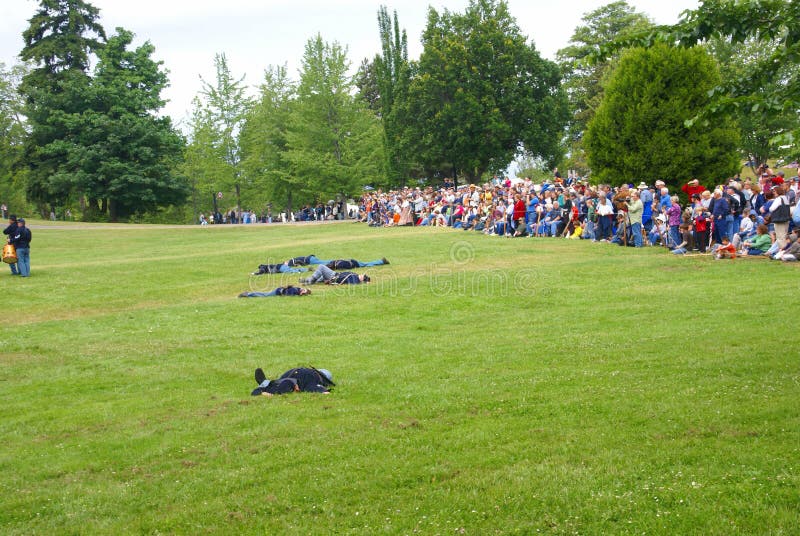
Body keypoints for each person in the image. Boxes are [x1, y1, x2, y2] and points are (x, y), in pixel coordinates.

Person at [251, 367, 335, 396]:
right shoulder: (313, 381)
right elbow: (317, 388)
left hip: (292, 373)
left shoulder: (311, 377)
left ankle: (264, 383)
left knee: (278, 382)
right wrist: (324, 391)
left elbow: (254, 393)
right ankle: (264, 383)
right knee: (278, 384)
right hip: (291, 377)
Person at [299, 264, 371, 285]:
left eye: (363, 277)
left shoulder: (355, 279)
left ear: (362, 280)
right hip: (333, 276)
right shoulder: (355, 275)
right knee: (319, 275)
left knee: (321, 267)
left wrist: (365, 283)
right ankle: (306, 281)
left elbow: (353, 283)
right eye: (363, 275)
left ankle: (310, 281)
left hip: (333, 276)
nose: (362, 275)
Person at [238, 286, 311, 298]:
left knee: (264, 294)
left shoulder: (297, 290)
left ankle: (248, 293)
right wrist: (299, 295)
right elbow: (289, 296)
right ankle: (247, 294)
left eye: (304, 292)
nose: (303, 291)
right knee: (264, 295)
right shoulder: (295, 290)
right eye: (304, 290)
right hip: (277, 291)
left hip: (278, 290)